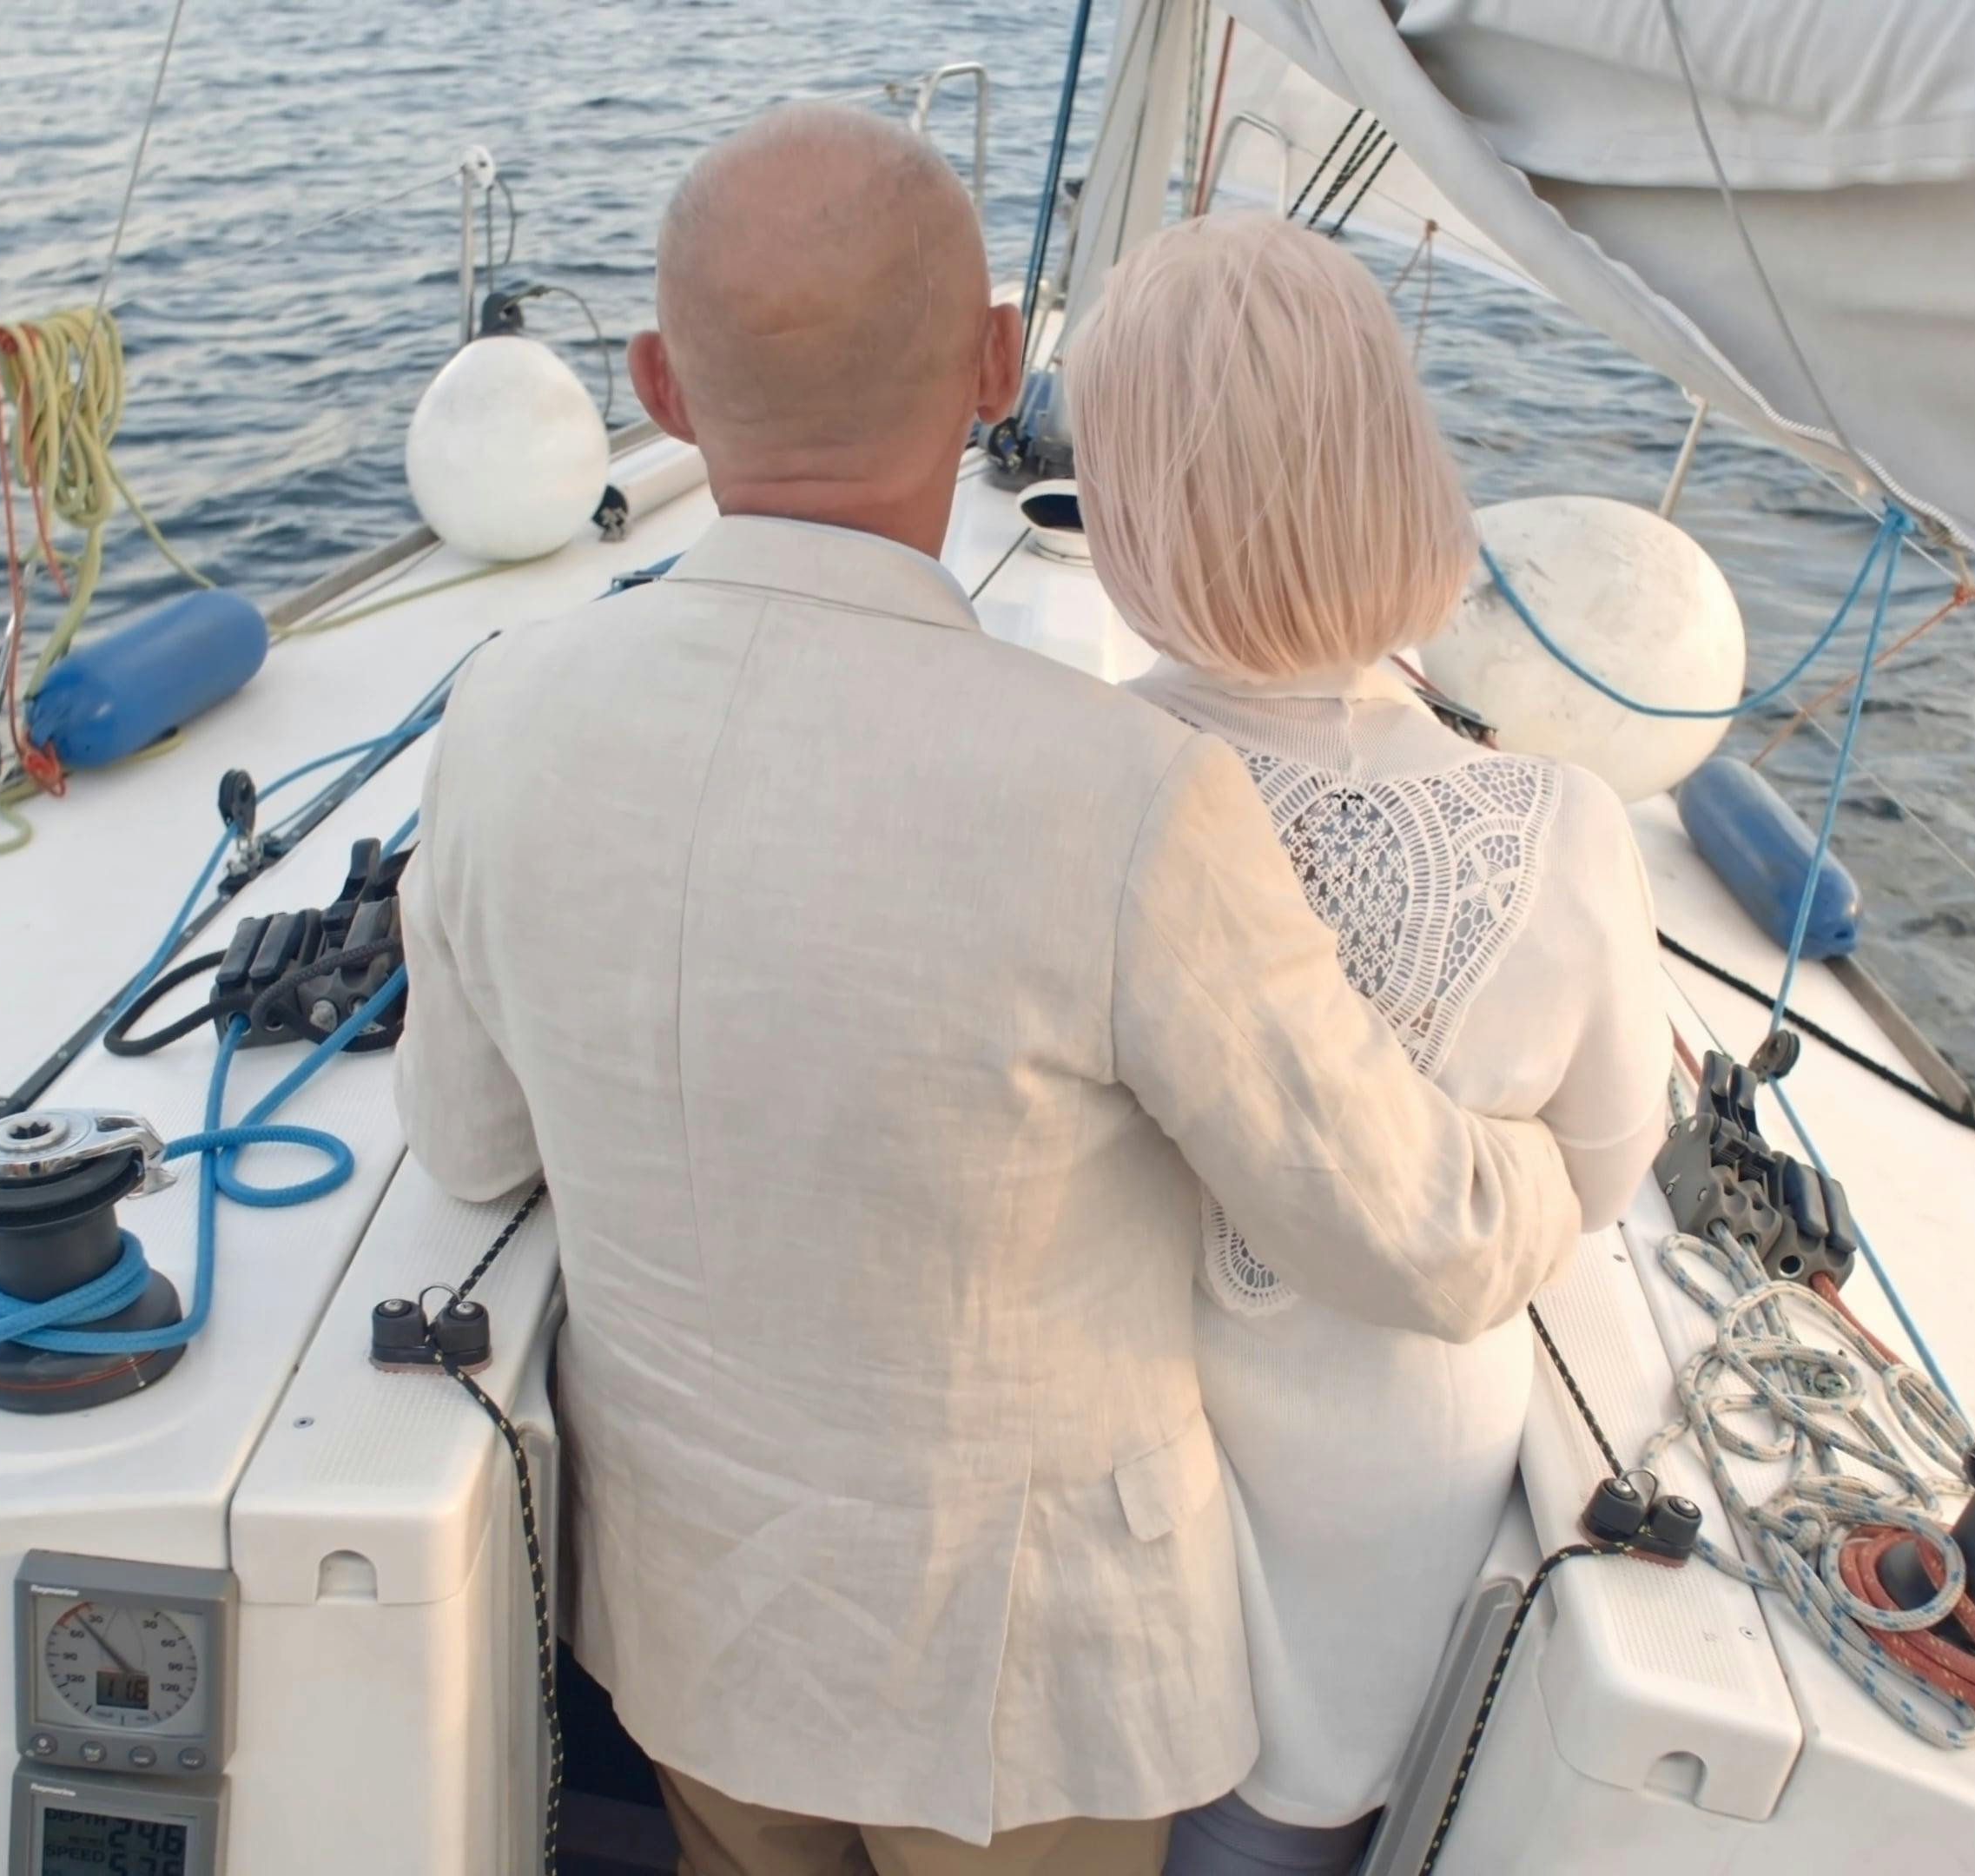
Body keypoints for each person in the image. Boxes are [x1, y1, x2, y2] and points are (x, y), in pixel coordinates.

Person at [391, 108, 1588, 1876]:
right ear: (995, 365)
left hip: (692, 1632)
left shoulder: (498, 713)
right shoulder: (1123, 796)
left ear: (653, 383)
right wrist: (1559, 1173)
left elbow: (470, 1149)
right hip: (1031, 1702)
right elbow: (1420, 1238)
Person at [1068, 213, 1673, 1875]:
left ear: (1127, 508)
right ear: (1403, 469)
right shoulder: (1562, 831)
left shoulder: (1067, 783)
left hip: (1094, 1532)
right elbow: (1608, 1173)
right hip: (1374, 1545)